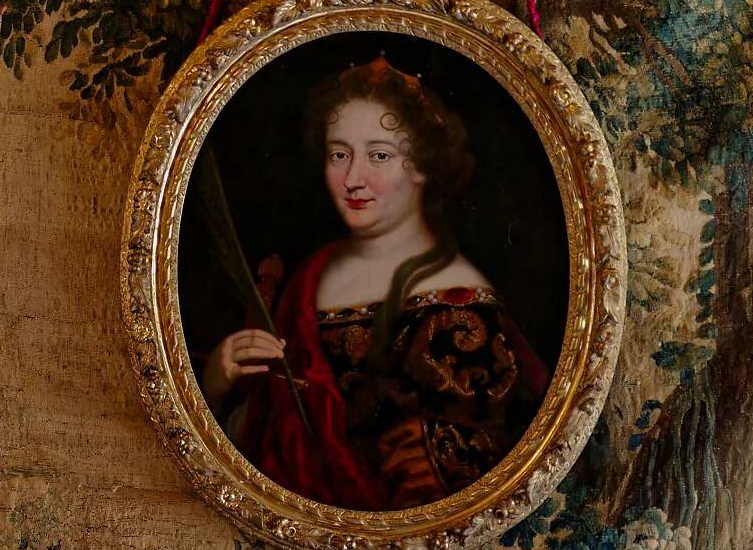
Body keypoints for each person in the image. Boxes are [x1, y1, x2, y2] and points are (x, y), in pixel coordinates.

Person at [198, 56, 548, 510]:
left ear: (421, 164)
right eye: (339, 155)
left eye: (379, 156)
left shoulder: (458, 299)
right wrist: (216, 382)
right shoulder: (306, 275)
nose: (352, 179)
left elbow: (505, 450)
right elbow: (262, 443)